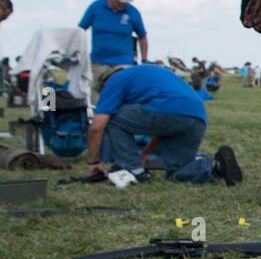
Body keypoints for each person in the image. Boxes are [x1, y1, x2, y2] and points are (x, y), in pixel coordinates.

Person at [86, 64, 241, 185]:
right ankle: (215, 166)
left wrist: (94, 162)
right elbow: (162, 125)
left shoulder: (114, 81)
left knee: (112, 119)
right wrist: (146, 153)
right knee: (176, 172)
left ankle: (132, 171)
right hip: (197, 116)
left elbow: (97, 126)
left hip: (169, 113)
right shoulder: (147, 74)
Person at [78, 0, 147, 94]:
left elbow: (142, 37)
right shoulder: (95, 7)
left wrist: (144, 60)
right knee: (96, 95)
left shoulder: (133, 12)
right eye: (119, 1)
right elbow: (80, 31)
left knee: (121, 95)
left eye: (125, 1)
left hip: (123, 62)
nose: (122, 4)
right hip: (98, 62)